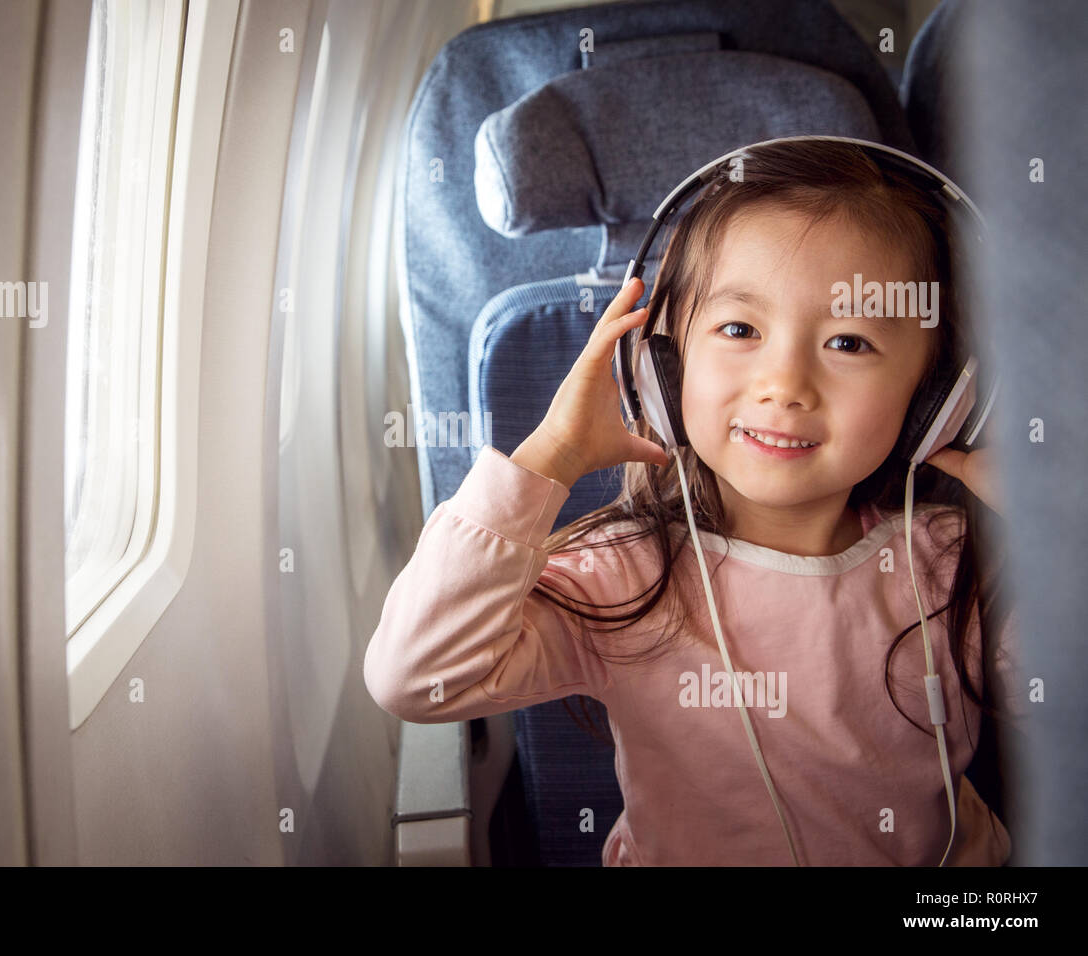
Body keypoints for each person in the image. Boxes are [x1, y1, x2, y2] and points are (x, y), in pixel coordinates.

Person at [364, 139, 1026, 866]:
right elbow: (416, 677)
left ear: (940, 399)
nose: (785, 384)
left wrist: (1058, 532)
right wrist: (550, 455)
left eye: (848, 341)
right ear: (660, 369)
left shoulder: (950, 563)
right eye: (740, 330)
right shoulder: (625, 580)